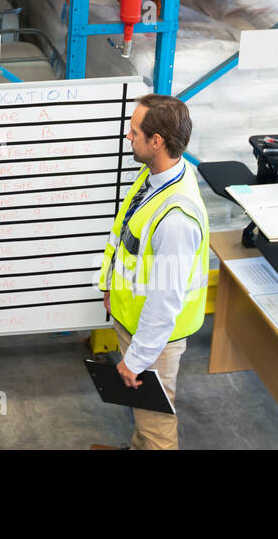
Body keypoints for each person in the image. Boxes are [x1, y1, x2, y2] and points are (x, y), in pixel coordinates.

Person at [96, 94, 210, 450]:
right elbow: (126, 238)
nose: (128, 137)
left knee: (156, 427)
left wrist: (137, 360)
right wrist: (110, 286)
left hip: (154, 340)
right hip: (133, 321)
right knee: (142, 414)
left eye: (134, 132)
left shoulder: (176, 219)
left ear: (156, 141)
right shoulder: (154, 176)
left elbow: (165, 301)